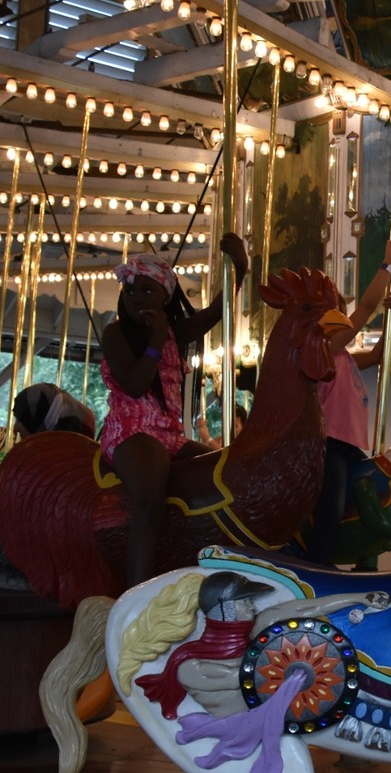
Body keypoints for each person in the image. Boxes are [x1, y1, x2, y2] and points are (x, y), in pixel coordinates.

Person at [99, 234, 249, 587]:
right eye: (131, 291)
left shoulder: (177, 332)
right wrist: (154, 340)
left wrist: (239, 267)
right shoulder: (115, 334)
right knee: (151, 499)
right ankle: (135, 592)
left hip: (170, 434)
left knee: (226, 475)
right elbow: (135, 385)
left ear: (166, 297)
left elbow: (217, 310)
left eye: (147, 291)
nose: (137, 298)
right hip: (131, 429)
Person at [304, 239, 391, 565]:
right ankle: (319, 564)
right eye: (333, 309)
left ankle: (365, 562)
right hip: (329, 444)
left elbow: (378, 355)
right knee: (331, 507)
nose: (341, 314)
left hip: (349, 445)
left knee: (370, 504)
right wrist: (388, 264)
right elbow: (364, 309)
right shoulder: (324, 351)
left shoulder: (343, 355)